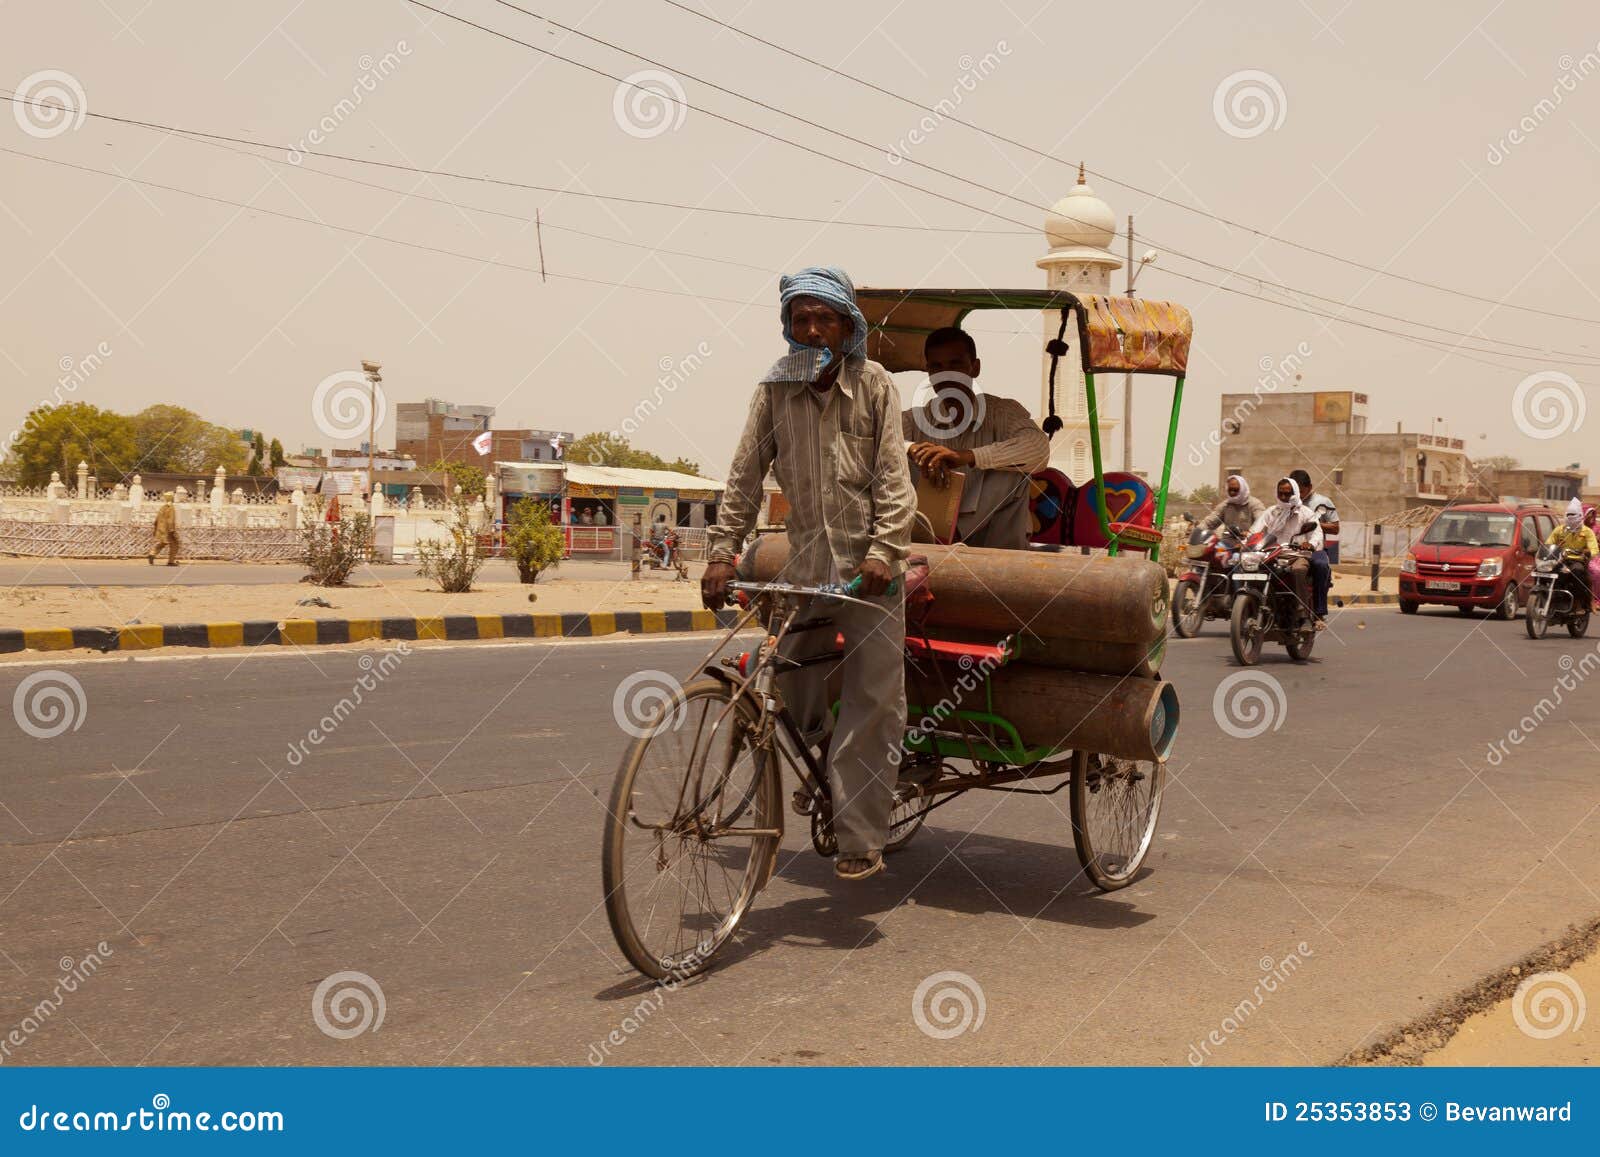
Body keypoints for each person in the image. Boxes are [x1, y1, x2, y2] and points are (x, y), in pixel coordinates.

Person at [704, 265, 916, 882]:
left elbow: (895, 485)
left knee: (873, 703)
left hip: (872, 574)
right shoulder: (774, 391)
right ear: (789, 327)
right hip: (809, 570)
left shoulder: (873, 385)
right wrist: (722, 551)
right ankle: (832, 773)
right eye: (802, 318)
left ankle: (860, 835)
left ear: (848, 325)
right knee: (789, 687)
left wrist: (883, 555)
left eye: (826, 317)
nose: (813, 328)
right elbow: (745, 474)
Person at [900, 327, 1049, 550]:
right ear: (928, 371)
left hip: (994, 545)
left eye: (955, 365)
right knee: (897, 456)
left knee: (1011, 470)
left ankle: (954, 535)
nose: (946, 375)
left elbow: (1039, 450)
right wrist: (913, 450)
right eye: (937, 367)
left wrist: (967, 457)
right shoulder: (914, 419)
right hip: (928, 536)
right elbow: (874, 447)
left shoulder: (1003, 412)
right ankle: (936, 534)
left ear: (975, 367)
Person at [1248, 477, 1323, 625]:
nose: (1283, 497)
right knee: (1250, 568)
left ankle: (1303, 614)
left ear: (1295, 493)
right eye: (1280, 493)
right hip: (1272, 554)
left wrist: (1311, 544)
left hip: (1296, 555)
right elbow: (1255, 530)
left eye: (1287, 494)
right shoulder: (1271, 512)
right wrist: (1246, 542)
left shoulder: (1306, 513)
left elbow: (1317, 533)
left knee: (1298, 570)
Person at [1289, 468, 1338, 630]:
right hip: (1289, 548)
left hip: (1315, 548)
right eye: (1295, 491)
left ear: (1309, 487)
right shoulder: (1286, 502)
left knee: (1321, 566)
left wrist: (1314, 524)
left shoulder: (1323, 502)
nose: (1298, 495)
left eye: (1301, 491)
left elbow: (1335, 528)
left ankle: (1319, 613)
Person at [1545, 497, 1598, 605]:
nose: (1571, 518)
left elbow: (1594, 549)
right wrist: (1547, 550)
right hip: (1560, 560)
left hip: (1577, 561)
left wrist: (1587, 553)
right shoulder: (1559, 530)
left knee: (1577, 572)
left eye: (1573, 515)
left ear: (1580, 516)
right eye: (1569, 515)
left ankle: (1577, 602)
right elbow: (1548, 544)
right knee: (1543, 570)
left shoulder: (1587, 532)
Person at [1198, 474, 1265, 540]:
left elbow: (1261, 522)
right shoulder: (1225, 505)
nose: (1232, 492)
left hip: (1248, 544)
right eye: (1230, 490)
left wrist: (1249, 533)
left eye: (1235, 490)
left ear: (1243, 488)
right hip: (1227, 543)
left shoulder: (1255, 504)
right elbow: (1210, 522)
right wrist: (1198, 530)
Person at [146, 493, 179, 566]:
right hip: (168, 529)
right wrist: (172, 530)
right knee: (175, 544)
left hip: (161, 529)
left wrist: (156, 528)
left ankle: (152, 553)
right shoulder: (171, 507)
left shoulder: (163, 507)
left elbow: (157, 519)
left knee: (163, 543)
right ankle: (171, 561)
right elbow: (171, 520)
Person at [1585, 505, 1600, 611]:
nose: (1591, 517)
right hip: (1577, 554)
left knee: (1596, 572)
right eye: (1588, 515)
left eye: (1592, 515)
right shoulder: (1579, 528)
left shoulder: (1597, 528)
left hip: (1593, 555)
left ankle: (1596, 599)